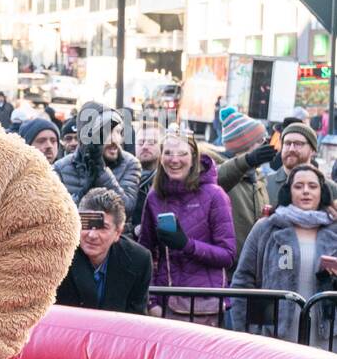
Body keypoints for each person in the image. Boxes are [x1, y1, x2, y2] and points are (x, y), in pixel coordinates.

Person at [230, 163, 337, 345]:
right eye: (298, 186)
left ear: (322, 192)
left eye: (312, 186)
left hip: (327, 338)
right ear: (288, 192)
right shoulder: (266, 228)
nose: (305, 191)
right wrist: (248, 333)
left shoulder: (334, 230)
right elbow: (242, 281)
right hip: (274, 338)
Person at [138, 130, 236, 323]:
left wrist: (186, 245)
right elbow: (145, 253)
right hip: (164, 304)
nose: (174, 160)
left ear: (194, 158)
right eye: (168, 153)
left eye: (182, 153)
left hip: (205, 306)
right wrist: (152, 302)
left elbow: (228, 255)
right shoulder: (154, 196)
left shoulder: (215, 195)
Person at [55, 188, 152, 315]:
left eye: (103, 228)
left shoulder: (138, 260)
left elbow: (137, 318)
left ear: (118, 232)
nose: (92, 235)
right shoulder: (59, 253)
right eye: (87, 224)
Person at [53, 102, 140, 218]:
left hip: (118, 235)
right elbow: (58, 214)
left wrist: (101, 171)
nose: (114, 140)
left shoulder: (130, 163)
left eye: (118, 132)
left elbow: (126, 209)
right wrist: (84, 191)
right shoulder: (60, 168)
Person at [212, 105, 275, 257]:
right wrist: (247, 160)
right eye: (261, 140)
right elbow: (219, 177)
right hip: (229, 264)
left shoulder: (258, 176)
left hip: (252, 261)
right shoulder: (217, 171)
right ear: (245, 144)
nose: (265, 145)